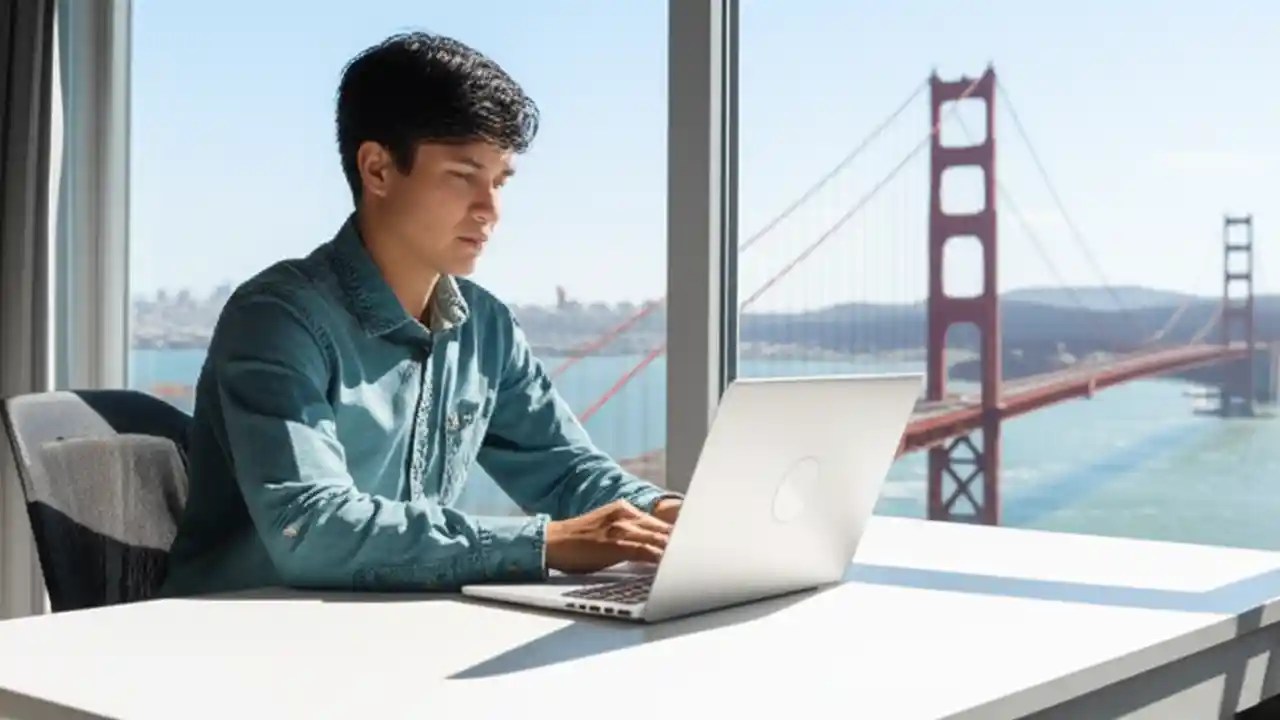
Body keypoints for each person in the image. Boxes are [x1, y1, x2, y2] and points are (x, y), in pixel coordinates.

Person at [160, 32, 682, 597]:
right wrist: (543, 543)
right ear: (377, 169)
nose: (490, 210)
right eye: (463, 176)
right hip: (234, 644)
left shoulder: (486, 329)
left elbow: (567, 470)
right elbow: (311, 527)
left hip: (394, 636)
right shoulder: (277, 319)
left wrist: (671, 514)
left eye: (499, 182)